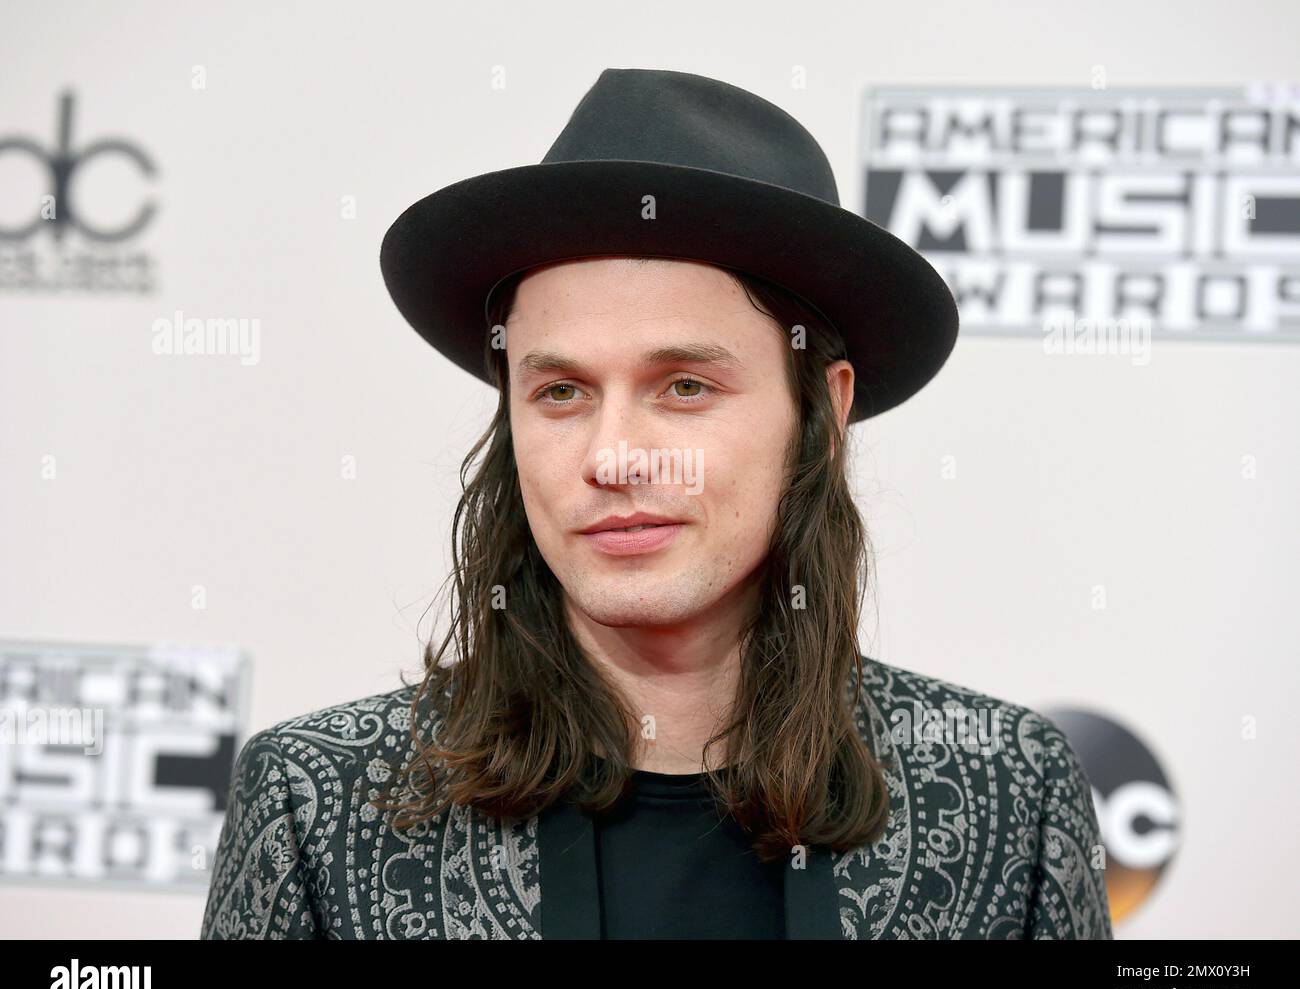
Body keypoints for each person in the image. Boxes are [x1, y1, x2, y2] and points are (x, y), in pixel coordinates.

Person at [200, 68, 1113, 940]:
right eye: (560, 392)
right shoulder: (319, 807)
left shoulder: (1007, 794)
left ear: (823, 414)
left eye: (683, 386)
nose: (612, 457)